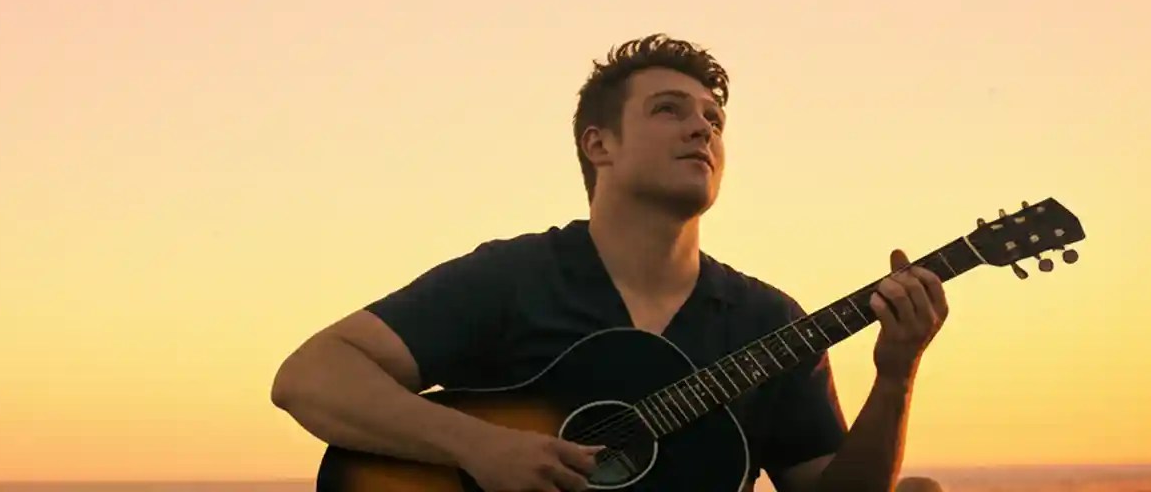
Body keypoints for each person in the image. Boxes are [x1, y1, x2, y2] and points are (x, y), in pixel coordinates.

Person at [271, 33, 949, 492]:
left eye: (714, 120)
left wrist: (896, 375)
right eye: (670, 110)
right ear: (600, 146)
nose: (702, 129)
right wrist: (477, 445)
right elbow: (311, 377)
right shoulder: (516, 278)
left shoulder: (766, 320)